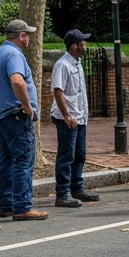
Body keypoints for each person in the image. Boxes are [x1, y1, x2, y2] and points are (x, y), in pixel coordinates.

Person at [0, 19, 47, 220]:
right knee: (23, 159)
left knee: (6, 160)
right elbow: (17, 80)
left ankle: (8, 204)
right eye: (27, 34)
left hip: (2, 115)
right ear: (22, 36)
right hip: (16, 116)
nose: (29, 38)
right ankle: (22, 206)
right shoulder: (14, 54)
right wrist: (27, 104)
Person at [50, 29, 101, 207]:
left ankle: (76, 188)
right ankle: (62, 193)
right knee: (66, 156)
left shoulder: (77, 63)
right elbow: (58, 90)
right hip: (68, 118)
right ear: (74, 45)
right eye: (83, 42)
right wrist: (66, 115)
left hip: (80, 117)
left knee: (80, 155)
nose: (85, 45)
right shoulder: (62, 65)